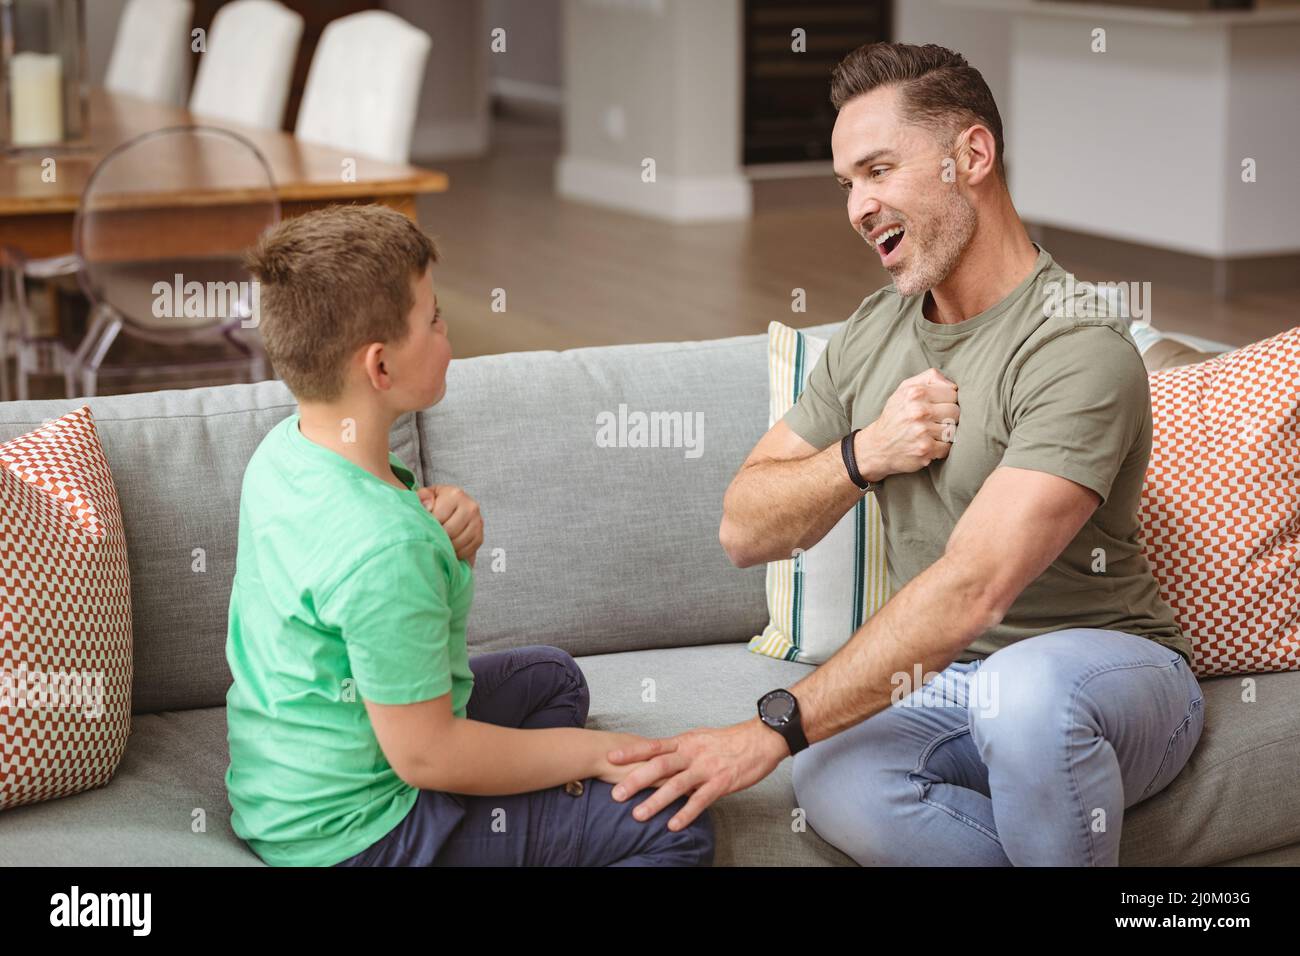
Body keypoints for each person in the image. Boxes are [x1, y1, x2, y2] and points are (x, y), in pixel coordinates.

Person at [605, 41, 1202, 866]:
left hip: (1111, 677)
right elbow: (744, 529)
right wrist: (864, 452)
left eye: (880, 170)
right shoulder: (875, 331)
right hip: (951, 682)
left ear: (973, 156)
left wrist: (771, 727)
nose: (858, 206)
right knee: (833, 772)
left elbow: (973, 587)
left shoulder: (1075, 342)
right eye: (848, 183)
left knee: (1016, 696)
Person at [225, 204, 713, 867]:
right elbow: (429, 754)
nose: (446, 333)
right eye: (432, 320)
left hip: (294, 785)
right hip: (361, 836)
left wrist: (448, 541)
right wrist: (598, 754)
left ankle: (517, 827)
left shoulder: (290, 452)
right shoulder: (384, 545)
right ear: (379, 368)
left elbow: (364, 577)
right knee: (675, 825)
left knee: (553, 677)